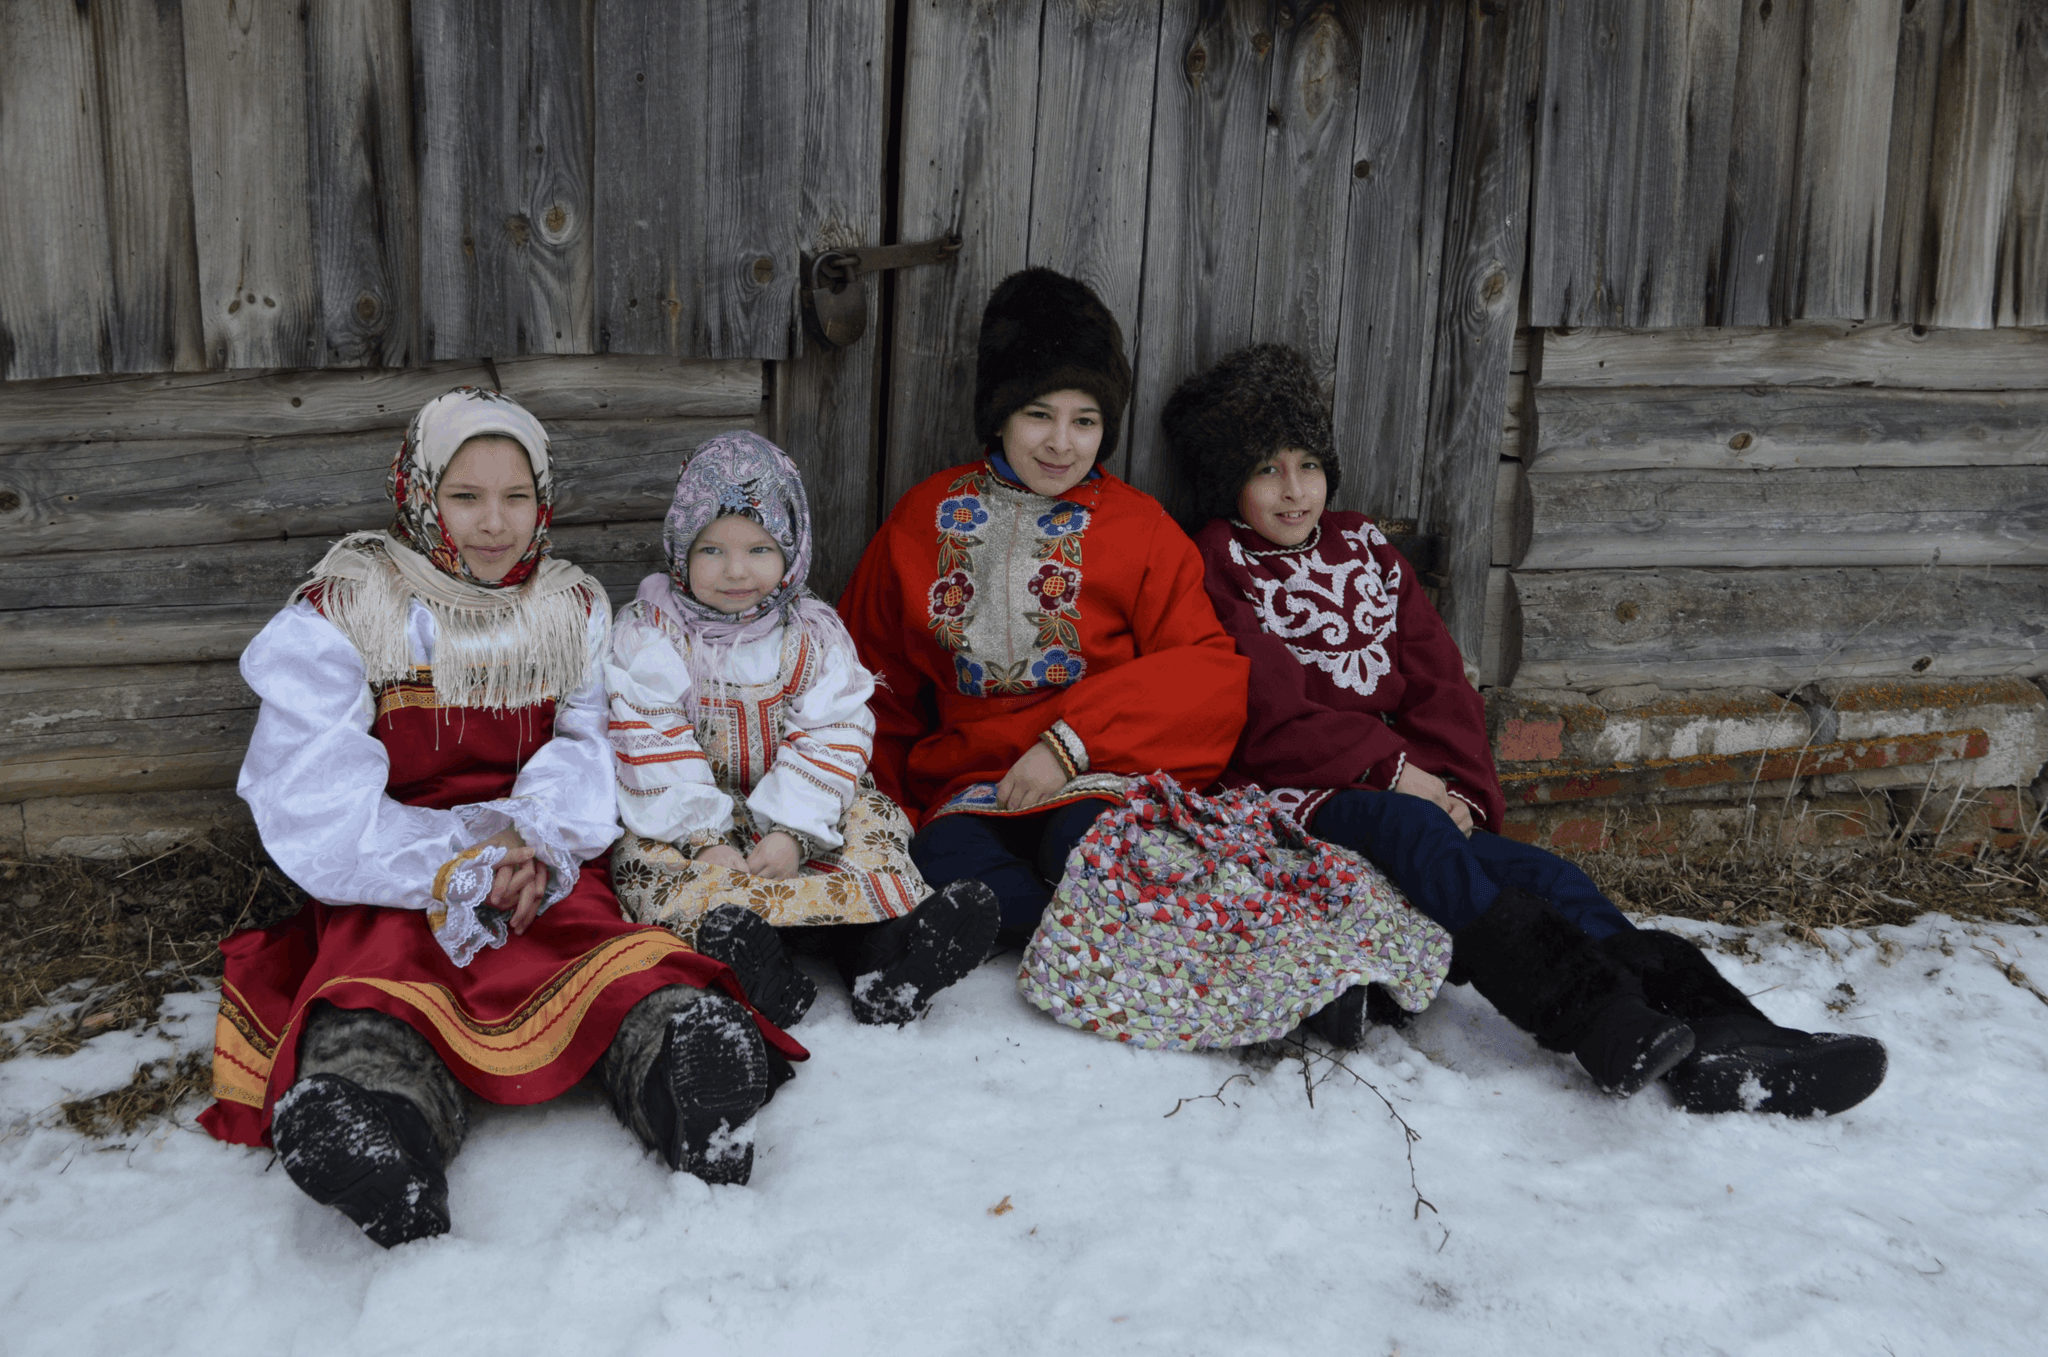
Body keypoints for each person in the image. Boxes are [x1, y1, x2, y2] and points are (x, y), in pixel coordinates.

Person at [1162, 344, 1887, 1116]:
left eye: (1307, 464)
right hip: (1303, 793)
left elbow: (1438, 683)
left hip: (1414, 789)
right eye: (1267, 469)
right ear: (1227, 480)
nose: (1294, 489)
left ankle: (1724, 1036)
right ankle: (1594, 1018)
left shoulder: (1366, 549)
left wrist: (1461, 790)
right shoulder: (1217, 562)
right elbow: (1267, 708)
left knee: (1551, 880)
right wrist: (1397, 776)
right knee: (1415, 830)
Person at [199, 388, 806, 1248]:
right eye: (467, 496)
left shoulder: (569, 607)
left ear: (544, 500)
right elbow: (317, 799)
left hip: (539, 864)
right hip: (397, 874)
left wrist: (535, 840)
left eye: (516, 497)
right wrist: (457, 865)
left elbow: (587, 746)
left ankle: (687, 1081)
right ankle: (381, 1137)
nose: (494, 523)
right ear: (419, 494)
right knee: (377, 992)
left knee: (616, 964)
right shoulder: (350, 609)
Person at [837, 267, 1251, 945]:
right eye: (1039, 414)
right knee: (946, 866)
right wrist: (893, 811)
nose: (1062, 443)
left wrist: (1071, 745)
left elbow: (1210, 678)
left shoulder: (1142, 531)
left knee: (1084, 847)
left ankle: (1091, 922)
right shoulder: (920, 522)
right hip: (970, 789)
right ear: (998, 411)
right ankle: (1086, 935)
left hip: (1095, 777)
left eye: (1084, 420)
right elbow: (870, 682)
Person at [606, 431, 999, 1027]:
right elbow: (648, 736)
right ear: (680, 546)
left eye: (760, 550)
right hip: (688, 814)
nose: (736, 572)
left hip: (799, 806)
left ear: (792, 550)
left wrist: (794, 830)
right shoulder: (651, 630)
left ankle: (885, 961)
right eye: (711, 550)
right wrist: (705, 836)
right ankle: (754, 970)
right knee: (651, 867)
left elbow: (834, 731)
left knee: (871, 829)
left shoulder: (811, 633)